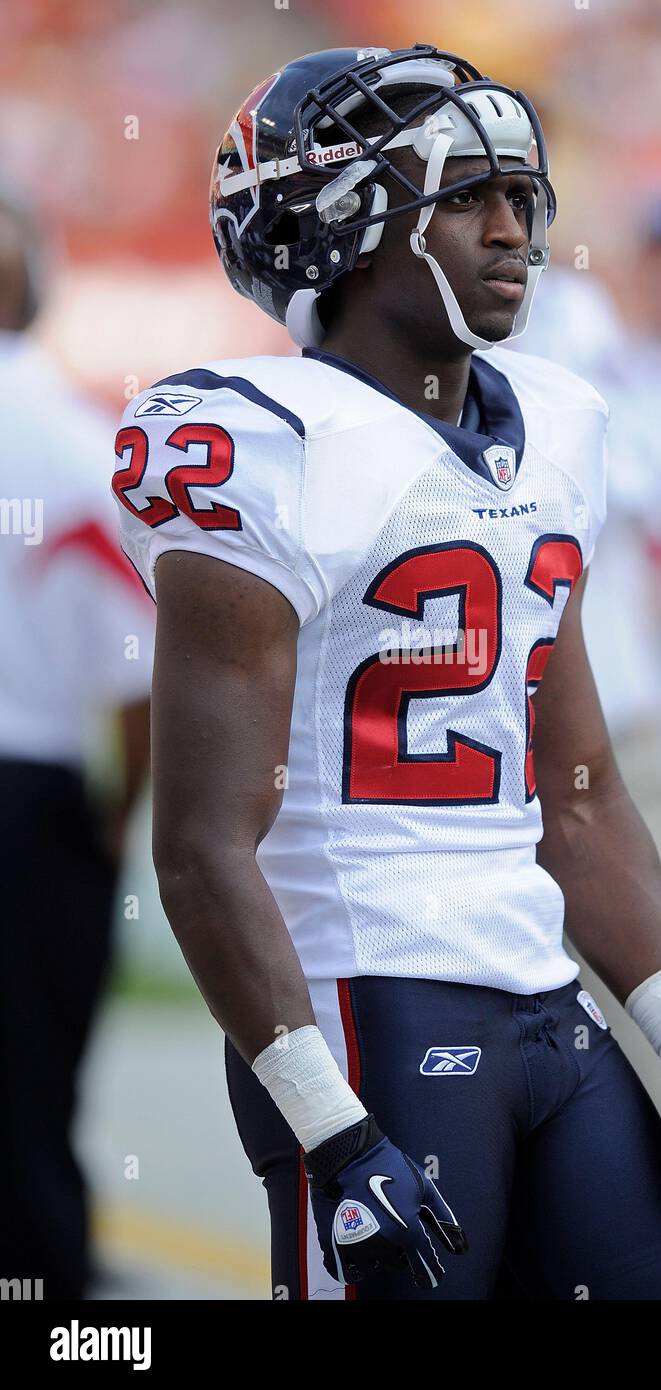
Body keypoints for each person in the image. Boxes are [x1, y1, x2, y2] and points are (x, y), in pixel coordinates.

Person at [111, 44, 661, 1301]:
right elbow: (200, 844)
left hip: (539, 990)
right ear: (346, 228)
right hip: (368, 1004)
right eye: (464, 194)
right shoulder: (264, 443)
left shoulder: (557, 424)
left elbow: (574, 792)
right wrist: (329, 1122)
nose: (511, 226)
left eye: (520, 195)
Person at [0, 194, 154, 1299]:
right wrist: (124, 809)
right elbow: (137, 668)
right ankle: (47, 1286)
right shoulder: (71, 437)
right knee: (30, 1075)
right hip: (29, 789)